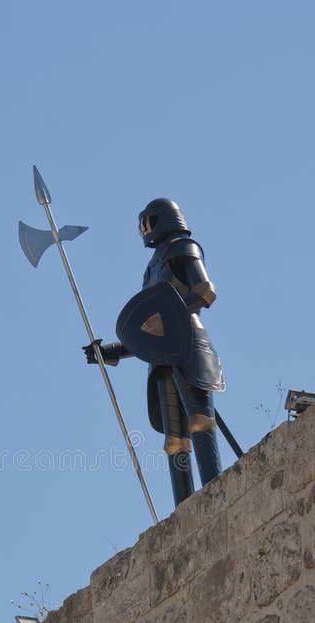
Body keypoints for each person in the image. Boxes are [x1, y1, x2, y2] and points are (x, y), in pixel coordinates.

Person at [84, 198, 225, 507]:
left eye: (147, 223)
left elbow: (205, 291)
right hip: (161, 357)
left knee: (200, 420)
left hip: (188, 342)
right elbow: (147, 329)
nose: (144, 230)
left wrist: (166, 320)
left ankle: (217, 490)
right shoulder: (151, 270)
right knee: (174, 440)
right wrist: (112, 352)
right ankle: (185, 506)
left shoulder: (182, 249)